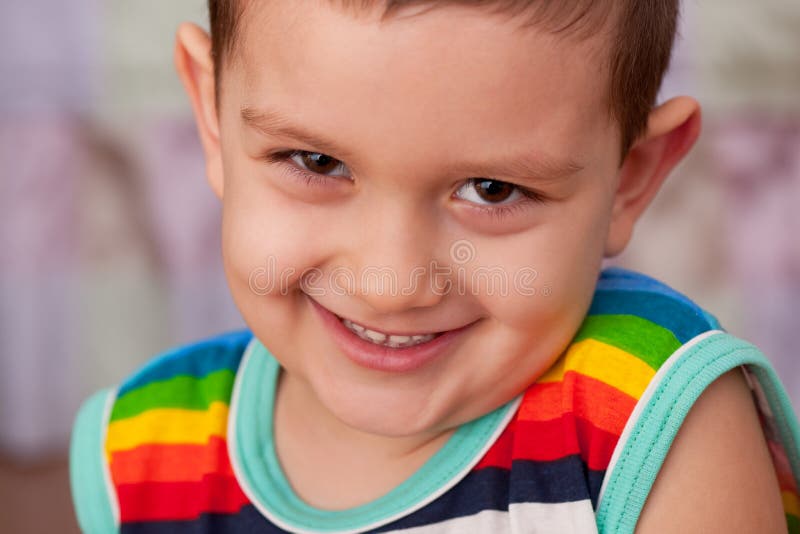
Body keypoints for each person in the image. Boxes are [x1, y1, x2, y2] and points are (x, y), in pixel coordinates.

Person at [69, 1, 800, 532]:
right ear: (211, 115)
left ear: (629, 180)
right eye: (316, 162)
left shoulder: (648, 413)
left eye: (492, 190)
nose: (391, 283)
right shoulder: (143, 453)